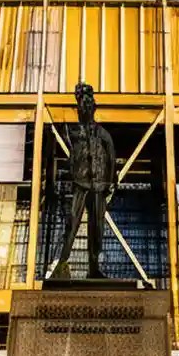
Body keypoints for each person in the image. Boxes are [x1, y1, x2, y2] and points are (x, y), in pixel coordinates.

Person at [49, 82, 116, 280]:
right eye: (81, 106)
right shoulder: (73, 132)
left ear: (93, 108)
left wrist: (111, 180)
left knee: (97, 228)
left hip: (98, 185)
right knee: (72, 222)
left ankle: (93, 268)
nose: (84, 110)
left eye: (88, 106)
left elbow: (111, 157)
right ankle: (62, 263)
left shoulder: (103, 134)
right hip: (81, 183)